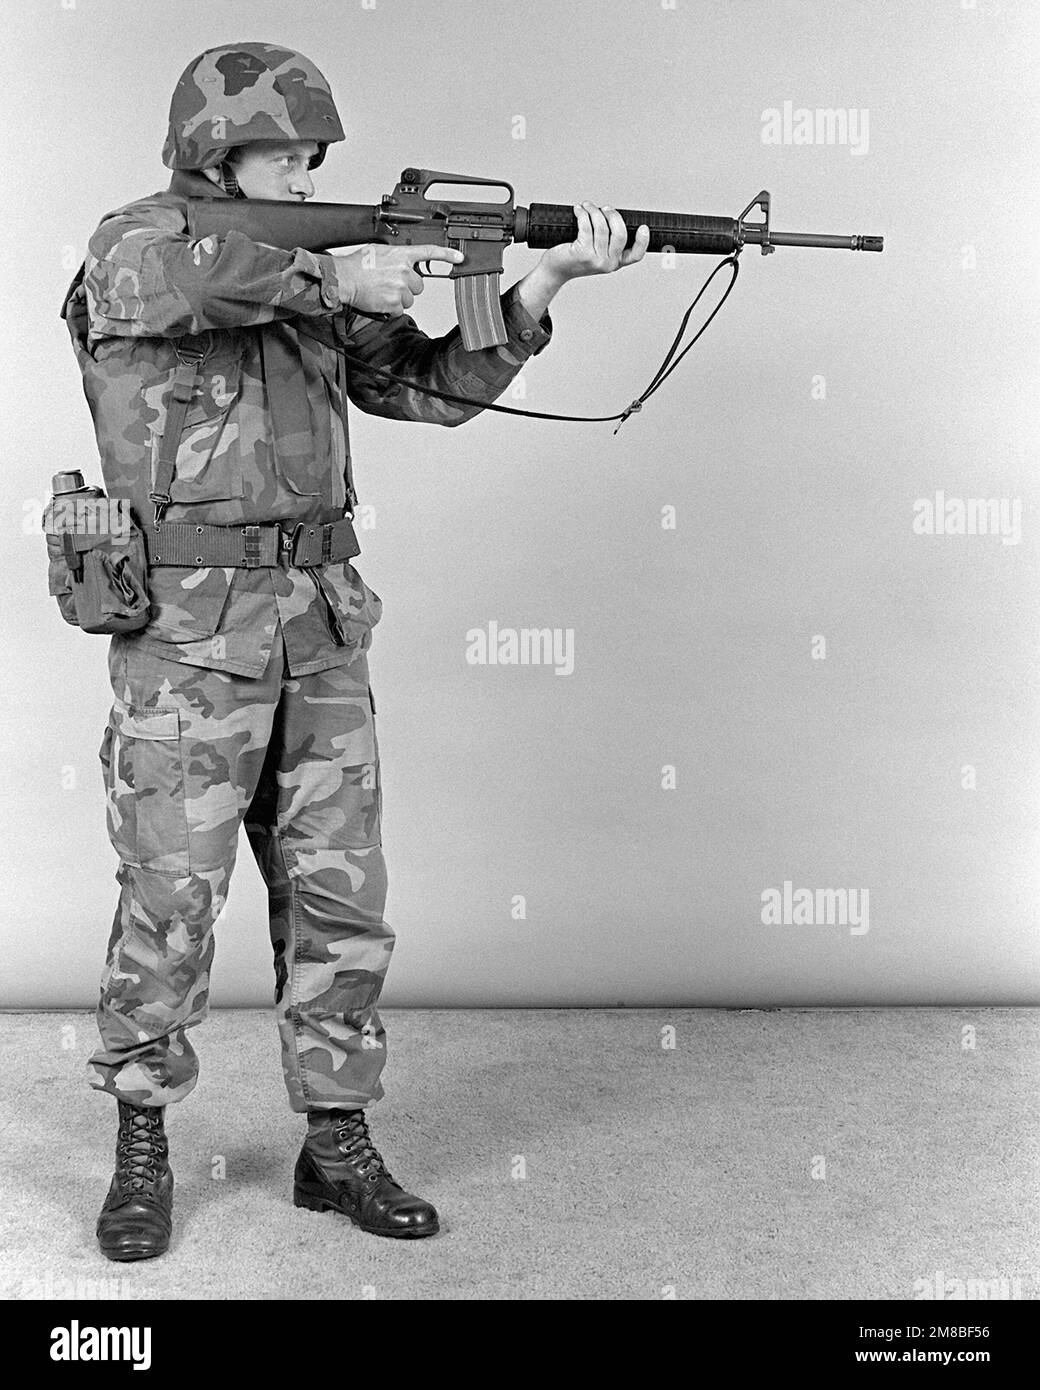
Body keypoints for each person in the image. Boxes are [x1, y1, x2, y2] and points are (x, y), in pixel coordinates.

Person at [63, 41, 649, 1260]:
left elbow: (429, 389)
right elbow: (194, 282)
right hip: (186, 641)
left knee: (339, 899)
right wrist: (348, 271)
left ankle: (335, 1144)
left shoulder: (313, 280)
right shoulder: (144, 246)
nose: (311, 166)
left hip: (320, 628)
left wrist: (538, 287)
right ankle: (141, 1141)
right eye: (285, 149)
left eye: (316, 151)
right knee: (171, 899)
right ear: (211, 146)